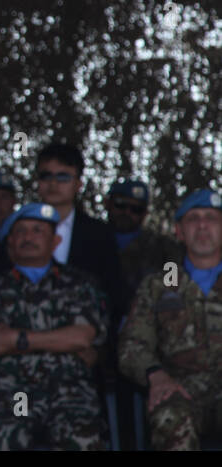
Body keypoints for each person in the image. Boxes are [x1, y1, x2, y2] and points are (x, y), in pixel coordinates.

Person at [0, 201, 108, 450]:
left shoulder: (80, 284)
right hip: (16, 392)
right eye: (21, 231)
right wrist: (61, 341)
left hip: (69, 392)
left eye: (38, 231)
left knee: (83, 439)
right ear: (10, 243)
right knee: (6, 436)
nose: (29, 237)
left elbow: (82, 337)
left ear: (55, 241)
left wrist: (18, 339)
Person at [119, 189, 222, 450]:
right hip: (179, 389)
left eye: (211, 218)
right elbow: (132, 345)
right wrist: (156, 376)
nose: (202, 225)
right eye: (193, 218)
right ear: (179, 231)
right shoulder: (161, 283)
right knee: (170, 419)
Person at [31, 143, 126, 326]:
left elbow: (113, 294)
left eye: (63, 177)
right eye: (46, 176)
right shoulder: (17, 231)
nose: (53, 184)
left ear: (78, 184)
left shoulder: (100, 234)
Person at [107, 178, 180, 303]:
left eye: (136, 209)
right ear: (107, 204)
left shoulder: (165, 249)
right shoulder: (89, 239)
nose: (127, 212)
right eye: (120, 205)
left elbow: (171, 288)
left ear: (145, 213)